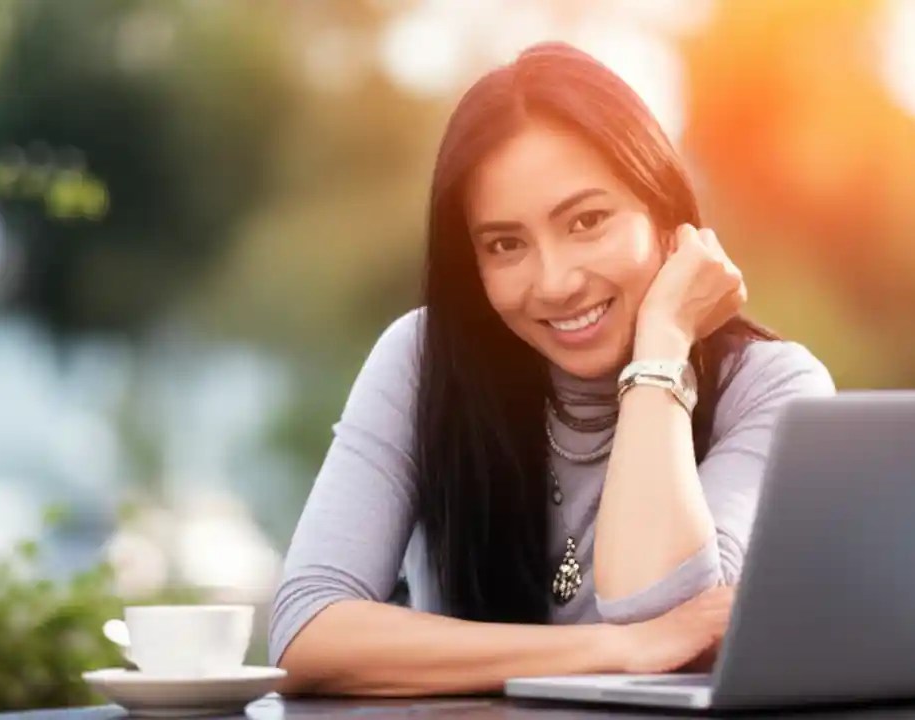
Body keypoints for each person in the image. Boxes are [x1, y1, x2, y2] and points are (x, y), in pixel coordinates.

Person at [270, 42, 835, 697]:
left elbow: (668, 619)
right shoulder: (423, 362)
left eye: (587, 221)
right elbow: (306, 633)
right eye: (506, 244)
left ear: (665, 213)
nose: (556, 282)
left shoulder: (773, 389)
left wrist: (662, 348)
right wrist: (609, 649)